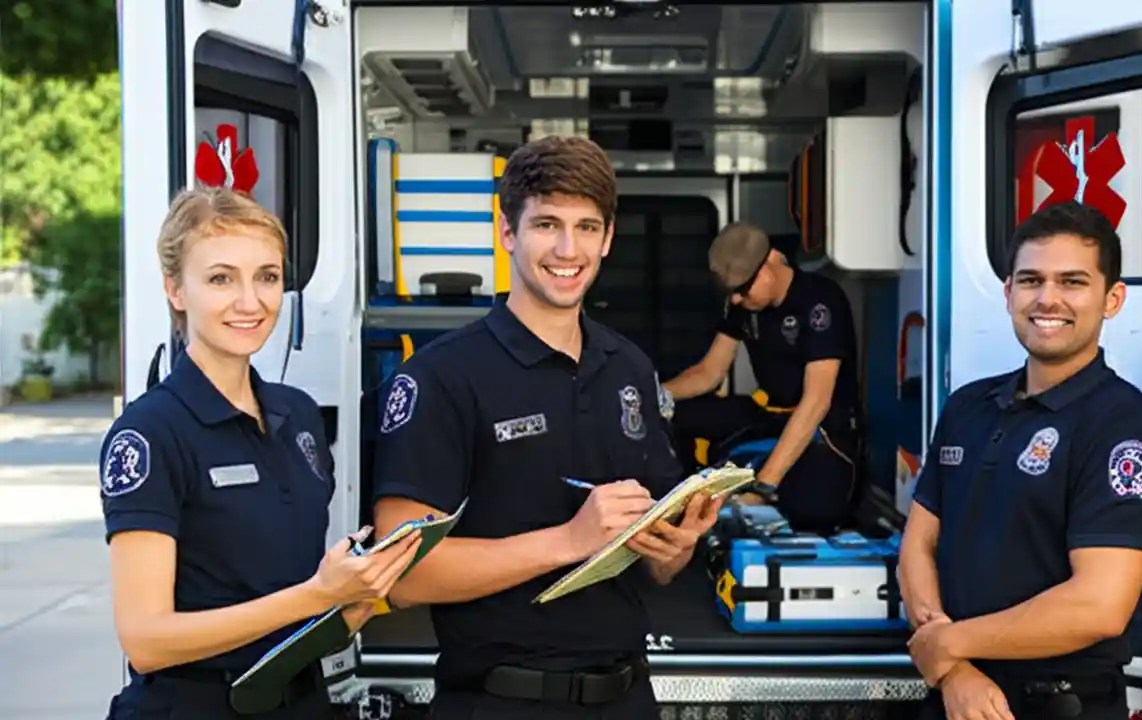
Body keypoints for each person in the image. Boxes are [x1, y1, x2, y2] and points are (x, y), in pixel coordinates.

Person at [370, 135, 723, 719]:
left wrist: (673, 547)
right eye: (546, 224)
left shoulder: (630, 368)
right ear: (508, 232)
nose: (568, 248)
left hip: (629, 698)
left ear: (608, 240)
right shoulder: (441, 377)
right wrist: (569, 541)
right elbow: (402, 574)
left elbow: (659, 563)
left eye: (587, 227)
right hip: (501, 702)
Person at [101, 186, 422, 719]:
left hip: (301, 701)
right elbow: (145, 640)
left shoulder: (297, 416)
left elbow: (282, 600)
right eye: (221, 278)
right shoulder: (151, 433)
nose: (250, 301)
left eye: (267, 277)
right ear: (176, 290)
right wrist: (318, 596)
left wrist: (345, 610)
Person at [898, 201, 1142, 720]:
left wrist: (948, 646)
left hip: (1059, 703)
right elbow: (918, 542)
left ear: (1112, 298)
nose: (1047, 299)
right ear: (1008, 293)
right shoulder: (967, 407)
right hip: (956, 695)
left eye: (1072, 282)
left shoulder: (1127, 430)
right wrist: (954, 669)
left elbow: (1097, 606)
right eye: (1031, 280)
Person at [660, 222, 862, 535]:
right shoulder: (742, 308)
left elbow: (817, 401)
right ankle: (676, 505)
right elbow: (709, 373)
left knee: (814, 512)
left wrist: (764, 485)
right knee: (678, 416)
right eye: (731, 293)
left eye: (742, 289)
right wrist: (654, 394)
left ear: (769, 264)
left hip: (823, 429)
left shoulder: (820, 302)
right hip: (770, 415)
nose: (737, 300)